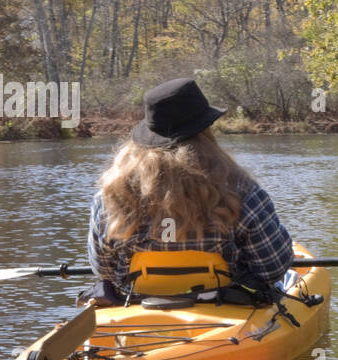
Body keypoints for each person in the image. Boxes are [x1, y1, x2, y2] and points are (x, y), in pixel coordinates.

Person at [85, 77, 295, 302]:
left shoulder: (111, 195)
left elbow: (104, 270)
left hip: (139, 304)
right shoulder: (241, 190)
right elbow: (273, 265)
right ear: (205, 131)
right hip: (224, 305)